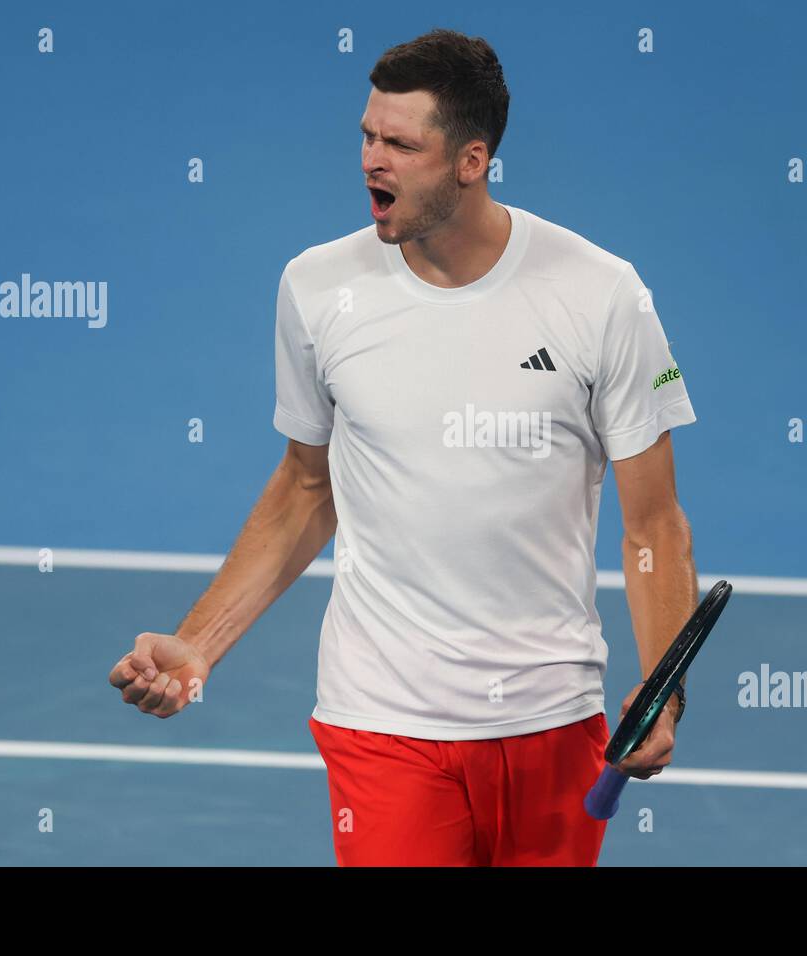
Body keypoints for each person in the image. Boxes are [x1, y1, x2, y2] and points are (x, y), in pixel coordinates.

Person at [108, 28, 698, 866]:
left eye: (399, 144)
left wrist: (662, 686)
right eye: (366, 135)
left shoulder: (602, 295)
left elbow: (654, 526)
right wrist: (199, 643)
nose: (369, 162)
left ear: (471, 159)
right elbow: (306, 489)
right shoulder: (317, 290)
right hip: (382, 722)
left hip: (552, 721)